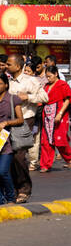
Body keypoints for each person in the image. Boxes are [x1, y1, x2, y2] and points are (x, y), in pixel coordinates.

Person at [6, 53, 47, 202]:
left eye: (9, 64)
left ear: (17, 66)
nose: (6, 66)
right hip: (8, 122)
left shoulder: (31, 81)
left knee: (19, 155)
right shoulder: (7, 81)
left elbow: (44, 97)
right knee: (7, 156)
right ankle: (12, 190)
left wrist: (28, 97)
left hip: (25, 120)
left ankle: (24, 189)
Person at [38, 65, 71, 172]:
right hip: (47, 116)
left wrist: (60, 114)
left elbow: (68, 100)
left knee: (60, 139)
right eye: (47, 77)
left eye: (50, 76)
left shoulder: (62, 85)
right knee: (45, 140)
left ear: (56, 74)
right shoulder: (46, 85)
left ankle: (69, 159)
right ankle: (45, 164)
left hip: (60, 114)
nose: (48, 79)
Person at [0, 70, 25, 203]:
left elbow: (20, 119)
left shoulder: (12, 99)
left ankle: (11, 197)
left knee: (2, 172)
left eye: (0, 83)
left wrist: (7, 122)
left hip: (7, 142)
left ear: (6, 85)